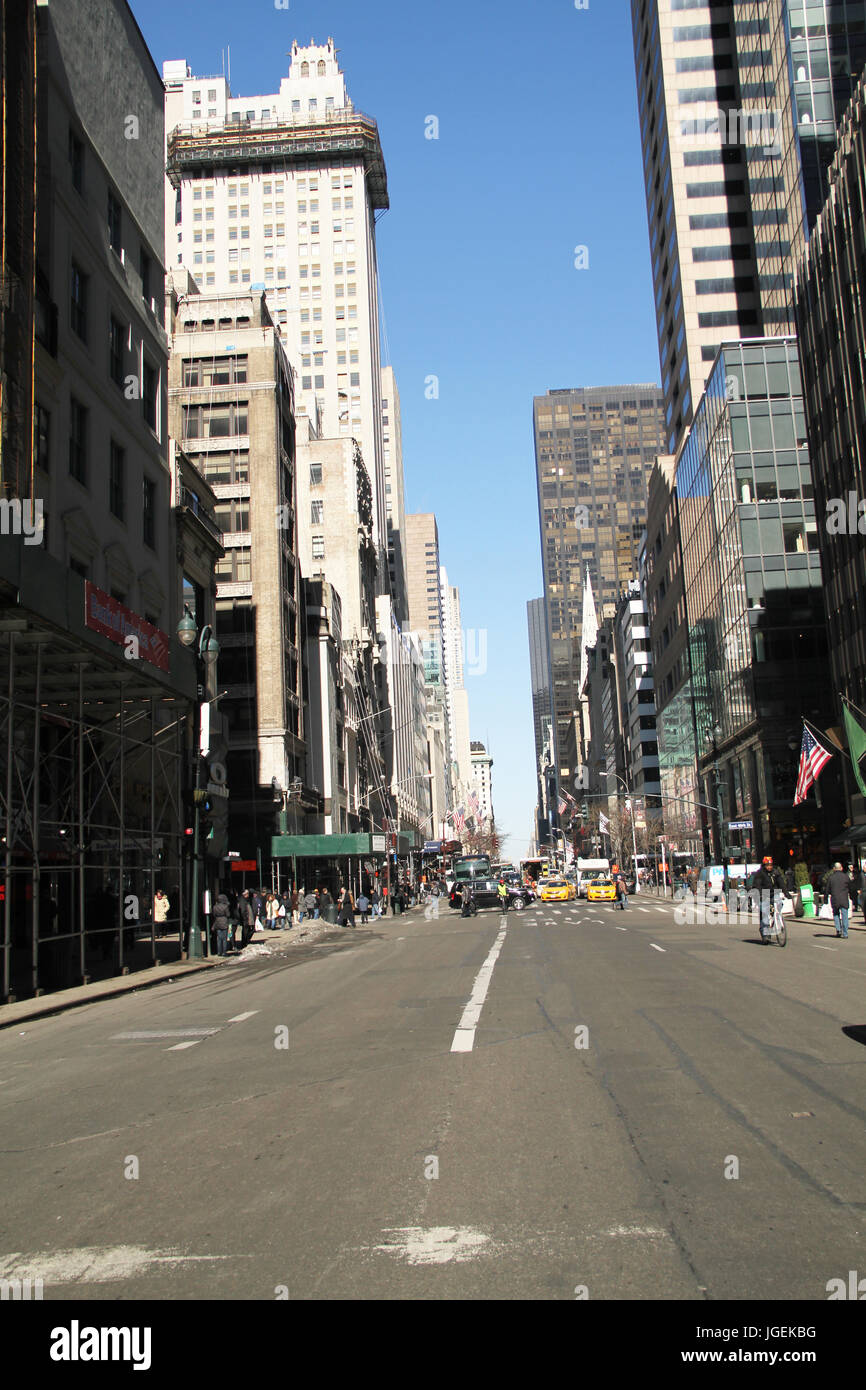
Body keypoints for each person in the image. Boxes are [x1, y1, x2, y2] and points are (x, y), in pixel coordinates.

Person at [752, 855, 786, 942]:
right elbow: (757, 885)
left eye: (770, 865)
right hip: (764, 894)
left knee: (779, 904)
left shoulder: (776, 872)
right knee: (764, 914)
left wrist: (786, 892)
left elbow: (781, 883)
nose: (769, 867)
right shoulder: (760, 874)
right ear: (764, 865)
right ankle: (765, 933)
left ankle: (776, 918)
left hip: (774, 893)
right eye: (767, 865)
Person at [827, 861, 851, 939]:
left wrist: (825, 898)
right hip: (844, 899)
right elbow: (850, 887)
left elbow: (827, 889)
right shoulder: (846, 877)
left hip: (835, 899)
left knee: (836, 914)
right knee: (845, 916)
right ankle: (845, 933)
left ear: (834, 869)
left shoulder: (831, 877)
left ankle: (838, 929)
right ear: (841, 868)